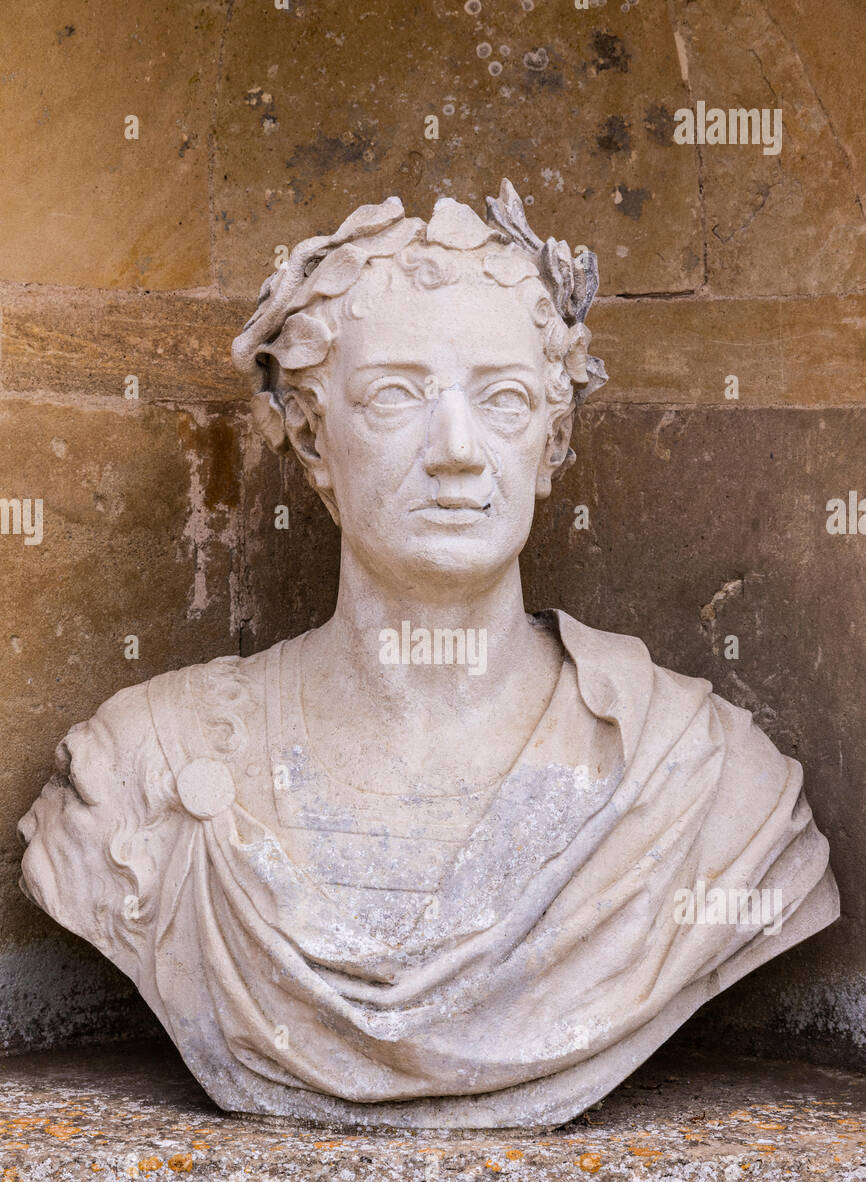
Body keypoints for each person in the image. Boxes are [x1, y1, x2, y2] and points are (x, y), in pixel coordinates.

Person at [18, 182, 839, 1127]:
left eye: (502, 399)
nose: (455, 450)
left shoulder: (709, 782)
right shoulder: (141, 767)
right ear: (314, 440)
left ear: (549, 438)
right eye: (396, 396)